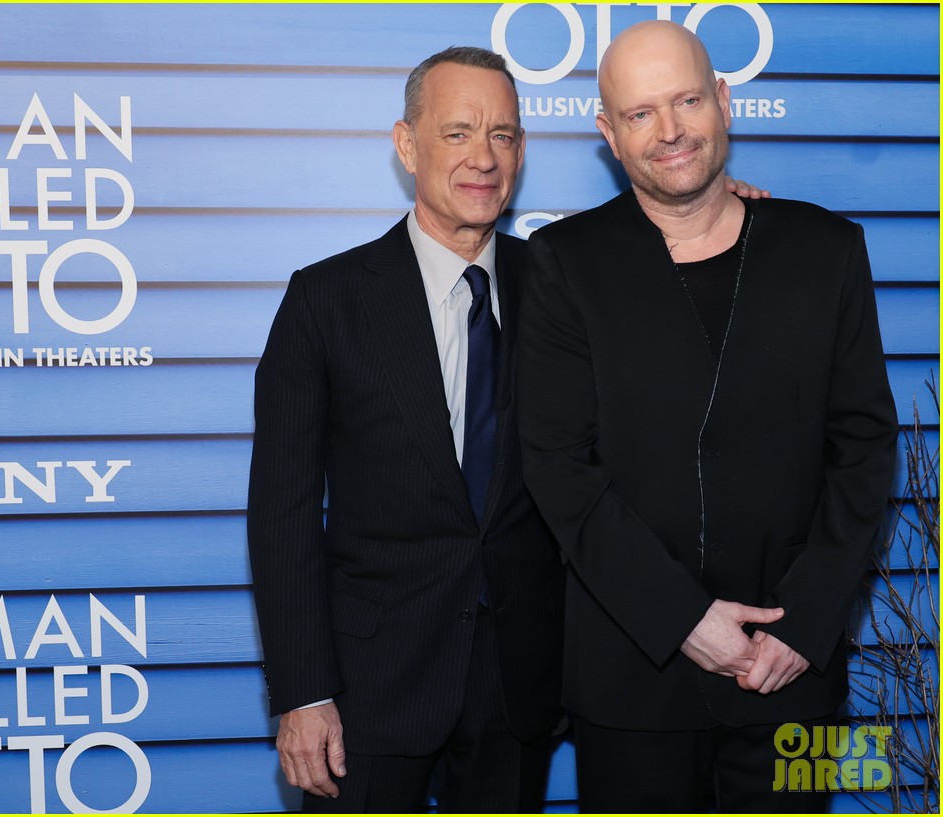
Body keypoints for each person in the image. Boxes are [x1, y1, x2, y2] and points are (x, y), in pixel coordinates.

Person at [515, 20, 898, 813]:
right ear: (608, 133)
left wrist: (807, 623)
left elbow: (862, 449)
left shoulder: (828, 249)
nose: (670, 131)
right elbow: (559, 467)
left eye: (687, 99)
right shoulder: (566, 264)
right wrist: (682, 617)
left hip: (797, 677)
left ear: (723, 101)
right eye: (641, 113)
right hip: (631, 685)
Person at [247, 46, 565, 812]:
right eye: (457, 133)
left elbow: (663, 250)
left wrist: (725, 201)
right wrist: (303, 691)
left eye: (504, 135)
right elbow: (283, 512)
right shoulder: (325, 300)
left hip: (517, 690)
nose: (484, 158)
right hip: (367, 693)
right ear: (407, 143)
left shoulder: (561, 285)